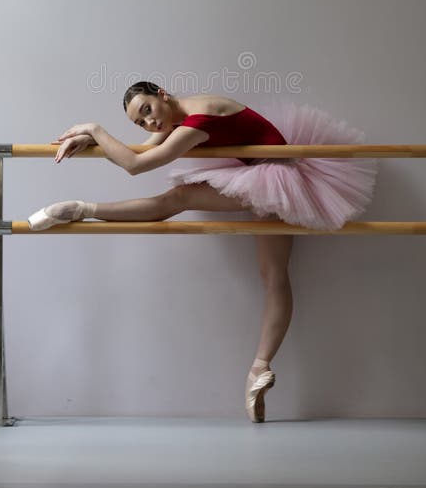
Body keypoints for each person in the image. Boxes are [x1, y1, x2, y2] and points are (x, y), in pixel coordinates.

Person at [28, 81, 378, 422]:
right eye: (140, 121)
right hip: (267, 167)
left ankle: (82, 208)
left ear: (162, 94)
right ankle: (259, 370)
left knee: (182, 203)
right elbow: (141, 151)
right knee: (269, 273)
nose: (150, 124)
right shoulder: (178, 114)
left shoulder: (198, 121)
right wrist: (94, 140)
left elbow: (137, 166)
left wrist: (94, 128)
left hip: (275, 174)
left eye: (147, 111)